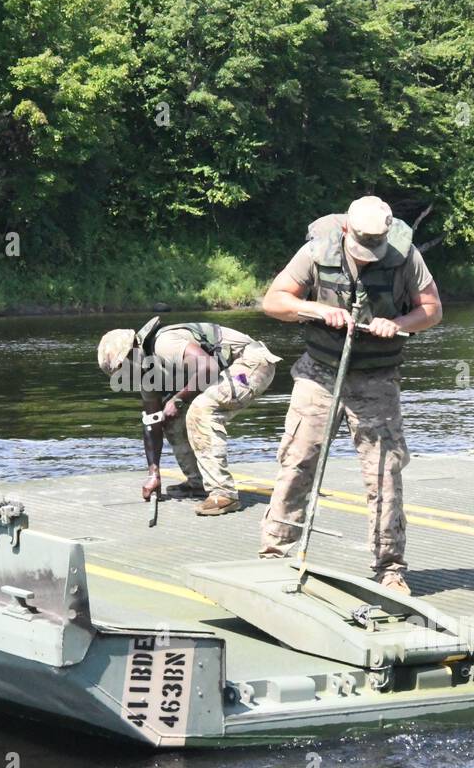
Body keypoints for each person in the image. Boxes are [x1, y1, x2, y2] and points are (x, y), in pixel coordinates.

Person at [258, 195, 442, 595]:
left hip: (376, 378)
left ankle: (389, 567)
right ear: (345, 230)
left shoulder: (406, 258)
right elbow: (274, 301)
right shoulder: (315, 250)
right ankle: (276, 552)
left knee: (384, 473)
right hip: (319, 373)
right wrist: (318, 311)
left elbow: (432, 309)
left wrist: (397, 323)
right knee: (298, 460)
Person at [97, 320, 280, 516]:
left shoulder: (164, 343)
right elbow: (152, 421)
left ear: (134, 349)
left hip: (250, 362)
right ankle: (199, 482)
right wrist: (154, 474)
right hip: (224, 370)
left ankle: (223, 493)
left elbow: (208, 367)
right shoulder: (144, 374)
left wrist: (177, 400)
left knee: (201, 410)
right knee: (171, 419)